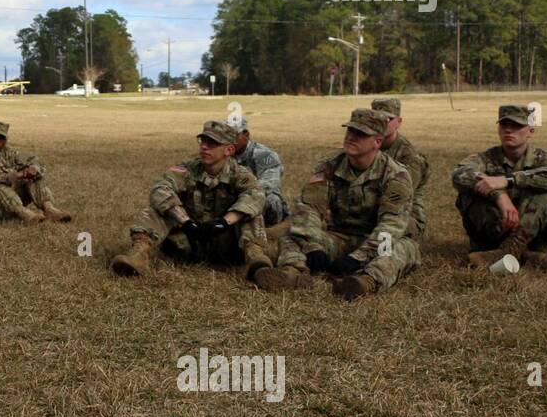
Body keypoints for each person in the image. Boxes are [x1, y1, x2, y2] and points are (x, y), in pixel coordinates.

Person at [254, 108, 417, 300]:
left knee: (401, 248)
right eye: (350, 130)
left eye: (361, 133)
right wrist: (313, 246)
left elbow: (390, 226)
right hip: (340, 237)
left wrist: (358, 258)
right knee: (292, 236)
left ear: (378, 142)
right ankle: (292, 272)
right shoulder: (329, 165)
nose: (352, 137)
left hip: (376, 239)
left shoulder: (396, 175)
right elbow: (309, 208)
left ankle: (365, 282)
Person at [111, 120, 271, 279]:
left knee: (252, 214)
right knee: (156, 209)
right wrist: (185, 222)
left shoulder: (240, 174)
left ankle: (255, 259)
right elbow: (160, 188)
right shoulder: (187, 169)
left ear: (229, 150)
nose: (204, 147)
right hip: (188, 241)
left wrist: (224, 222)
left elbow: (256, 195)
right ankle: (138, 255)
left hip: (226, 244)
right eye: (203, 141)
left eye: (212, 143)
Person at [451, 104, 547, 269]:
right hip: (493, 235)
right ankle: (521, 256)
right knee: (470, 191)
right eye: (504, 125)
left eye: (517, 126)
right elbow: (459, 174)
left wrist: (509, 180)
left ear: (531, 131)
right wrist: (499, 196)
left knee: (545, 193)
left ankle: (511, 250)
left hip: (533, 238)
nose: (509, 130)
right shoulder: (485, 158)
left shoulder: (544, 159)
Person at [0, 120, 72, 223]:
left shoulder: (8, 153)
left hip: (4, 204)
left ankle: (49, 209)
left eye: (1, 137)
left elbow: (35, 160)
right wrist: (13, 175)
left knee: (32, 177)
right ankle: (25, 214)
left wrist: (33, 169)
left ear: (5, 140)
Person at [371, 97, 429, 239]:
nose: (382, 123)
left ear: (399, 122)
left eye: (388, 119)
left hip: (403, 214)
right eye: (377, 118)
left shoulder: (409, 157)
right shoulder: (366, 145)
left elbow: (399, 197)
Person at [232, 116, 288, 226]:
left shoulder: (264, 155)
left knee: (272, 199)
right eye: (225, 136)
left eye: (234, 136)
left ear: (246, 135)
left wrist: (243, 198)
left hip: (255, 197)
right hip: (232, 197)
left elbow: (269, 184)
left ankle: (271, 231)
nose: (229, 140)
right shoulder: (222, 152)